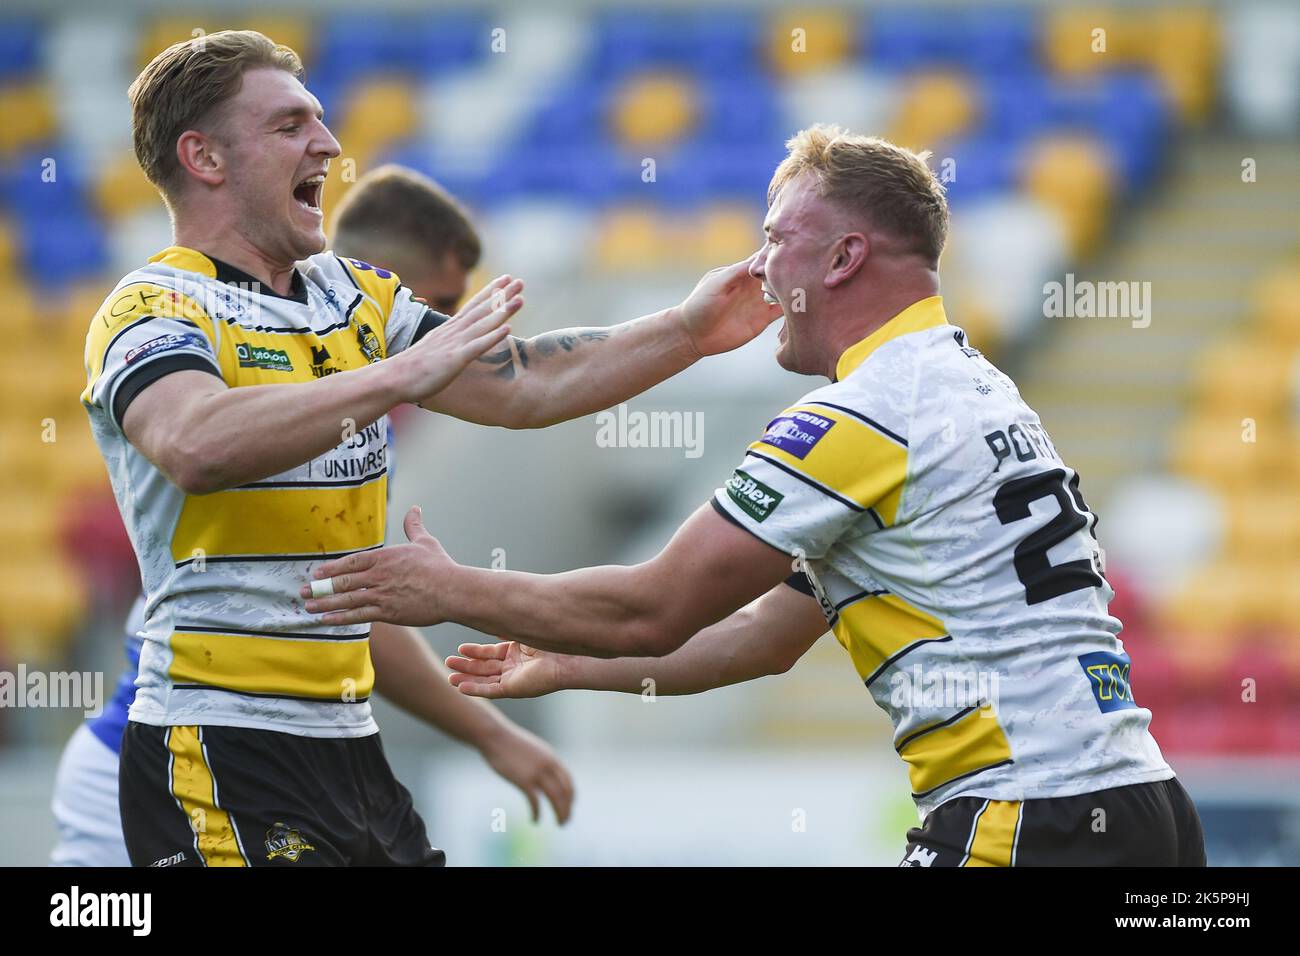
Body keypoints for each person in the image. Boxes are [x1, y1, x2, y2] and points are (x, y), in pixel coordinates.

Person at [304, 125, 1207, 867]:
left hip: (1027, 819)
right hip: (1145, 809)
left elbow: (652, 609)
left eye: (777, 237)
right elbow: (757, 641)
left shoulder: (858, 417)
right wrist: (570, 665)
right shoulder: (976, 388)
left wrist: (447, 588)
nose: (758, 265)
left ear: (846, 257)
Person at [83, 30, 778, 867]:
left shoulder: (355, 295)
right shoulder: (153, 306)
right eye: (288, 125)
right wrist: (399, 376)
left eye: (322, 120)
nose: (328, 143)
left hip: (348, 744)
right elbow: (196, 443)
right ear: (204, 157)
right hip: (220, 741)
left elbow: (524, 385)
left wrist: (689, 331)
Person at [52, 164, 573, 867]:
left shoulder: (351, 414)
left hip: (263, 766)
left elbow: (344, 596)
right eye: (442, 308)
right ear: (374, 282)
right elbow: (339, 596)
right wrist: (492, 733)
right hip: (168, 773)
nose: (451, 343)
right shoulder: (259, 371)